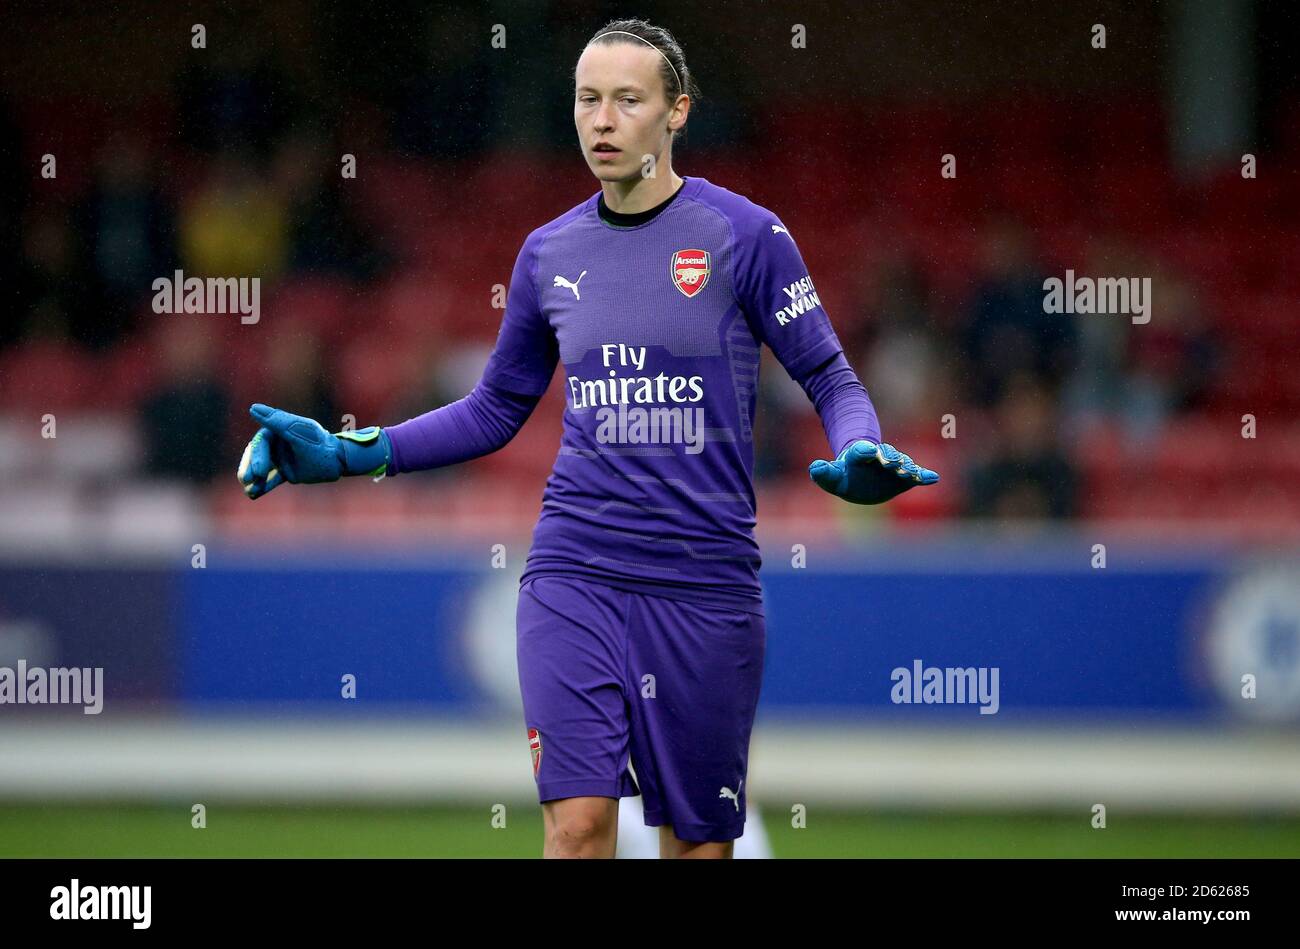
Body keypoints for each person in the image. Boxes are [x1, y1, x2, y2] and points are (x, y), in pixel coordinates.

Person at [237, 18, 938, 858]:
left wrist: (858, 442)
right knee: (576, 829)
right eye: (587, 100)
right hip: (575, 573)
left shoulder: (747, 237)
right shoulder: (548, 253)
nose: (602, 120)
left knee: (699, 845)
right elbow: (493, 410)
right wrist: (348, 452)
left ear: (677, 111)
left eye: (627, 100)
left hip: (705, 585)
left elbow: (830, 375)